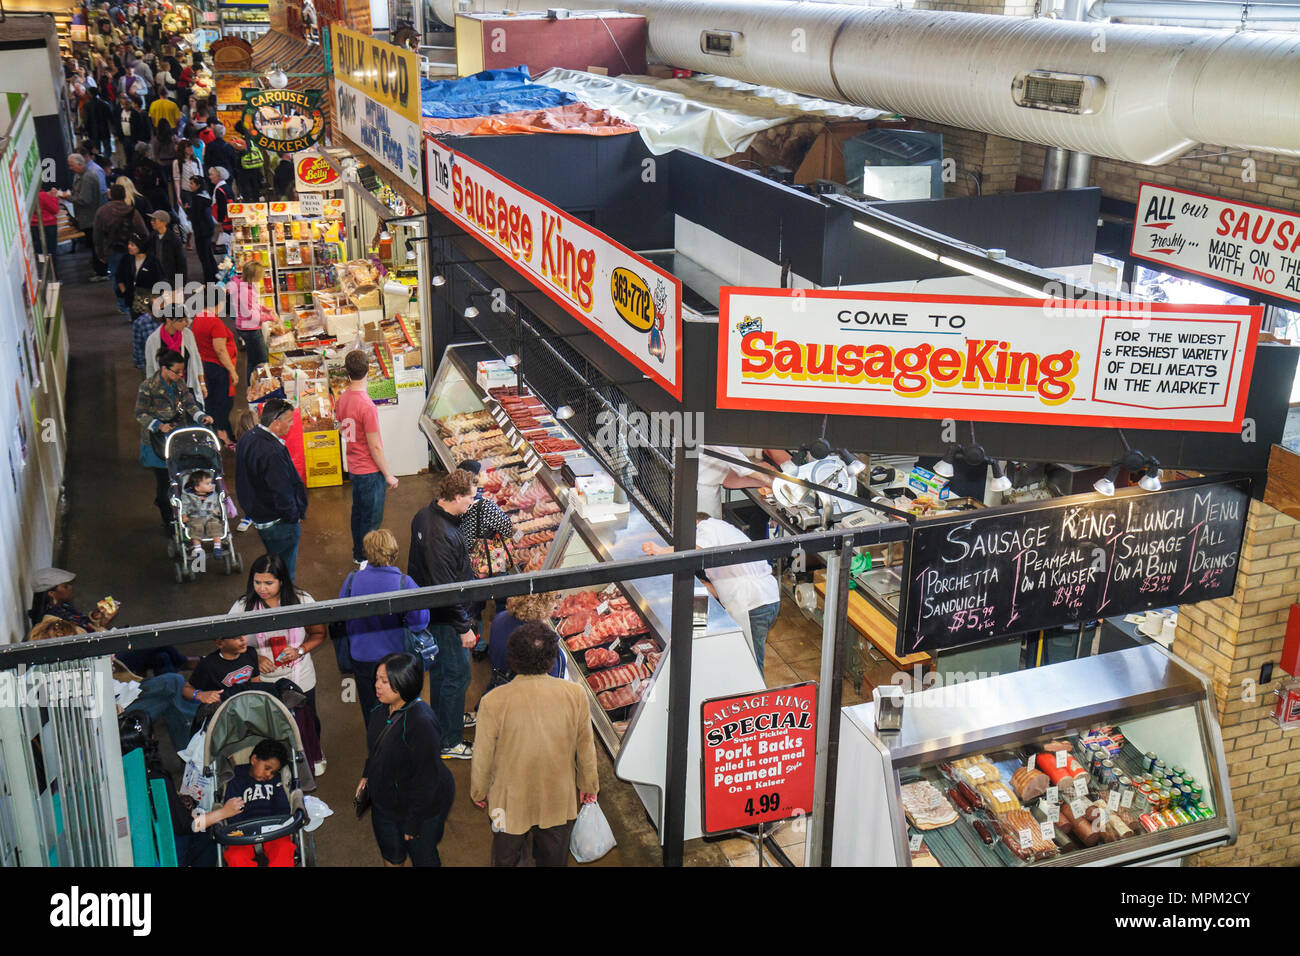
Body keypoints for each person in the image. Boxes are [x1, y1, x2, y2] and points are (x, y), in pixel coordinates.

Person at [470, 622, 599, 867]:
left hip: (508, 800)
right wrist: (588, 784)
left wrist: (479, 789)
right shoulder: (575, 694)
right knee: (554, 857)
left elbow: (483, 754)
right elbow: (585, 747)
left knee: (506, 856)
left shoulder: (493, 701)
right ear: (552, 658)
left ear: (513, 658)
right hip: (558, 795)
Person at [644, 512, 782, 671]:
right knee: (743, 660)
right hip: (766, 598)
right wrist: (700, 585)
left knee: (750, 666)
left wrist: (661, 551)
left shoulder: (707, 526)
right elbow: (720, 588)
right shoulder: (722, 533)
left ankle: (756, 696)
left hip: (752, 602)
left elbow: (696, 551)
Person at [356, 653, 455, 867]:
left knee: (423, 857)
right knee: (391, 856)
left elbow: (427, 780)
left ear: (404, 684)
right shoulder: (379, 708)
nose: (377, 686)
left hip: (418, 810)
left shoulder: (422, 723)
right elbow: (375, 749)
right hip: (384, 805)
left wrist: (413, 823)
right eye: (377, 679)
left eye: (385, 681)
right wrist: (367, 775)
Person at [230, 554, 326, 774]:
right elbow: (226, 642)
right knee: (269, 724)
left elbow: (319, 633)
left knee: (308, 717)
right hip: (262, 680)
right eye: (257, 582)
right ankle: (279, 762)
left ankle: (313, 754)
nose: (262, 588)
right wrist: (254, 657)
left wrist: (299, 650)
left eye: (268, 583)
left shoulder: (302, 600)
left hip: (300, 675)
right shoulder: (243, 606)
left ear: (282, 580)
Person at [407, 469, 479, 759]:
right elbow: (446, 589)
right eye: (471, 499)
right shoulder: (442, 535)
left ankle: (444, 718)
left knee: (440, 672)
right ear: (457, 497)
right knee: (457, 675)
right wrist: (464, 628)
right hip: (447, 618)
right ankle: (449, 741)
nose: (473, 503)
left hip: (432, 614)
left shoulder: (425, 514)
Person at [339, 529, 430, 723]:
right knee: (401, 710)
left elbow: (340, 617)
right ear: (394, 552)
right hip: (395, 662)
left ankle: (377, 747)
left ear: (367, 552)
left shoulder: (352, 580)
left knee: (371, 711)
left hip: (361, 657)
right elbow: (419, 623)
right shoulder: (404, 584)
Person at [135, 348, 213, 529]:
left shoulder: (180, 385)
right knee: (164, 482)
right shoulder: (148, 387)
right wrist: (157, 425)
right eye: (176, 371)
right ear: (164, 368)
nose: (180, 375)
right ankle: (168, 519)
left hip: (178, 439)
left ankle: (180, 510)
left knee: (179, 477)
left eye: (181, 372)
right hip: (157, 443)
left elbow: (190, 404)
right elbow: (140, 413)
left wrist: (201, 416)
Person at [337, 349, 398, 565]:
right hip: (370, 471)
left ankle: (357, 553)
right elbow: (375, 447)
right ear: (368, 370)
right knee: (372, 520)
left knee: (358, 514)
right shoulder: (367, 406)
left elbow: (341, 429)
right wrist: (388, 475)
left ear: (347, 372)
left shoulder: (342, 399)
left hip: (354, 466)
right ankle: (367, 560)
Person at [235, 399, 308, 578]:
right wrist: (293, 516)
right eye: (289, 421)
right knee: (284, 572)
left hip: (261, 517)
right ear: (276, 423)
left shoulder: (248, 437)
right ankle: (285, 603)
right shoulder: (272, 452)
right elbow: (281, 491)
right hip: (279, 523)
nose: (291, 426)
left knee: (275, 563)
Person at [200, 740, 297, 867]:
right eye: (267, 768)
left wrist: (279, 824)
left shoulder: (276, 780)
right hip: (242, 830)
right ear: (254, 759)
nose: (268, 774)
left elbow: (282, 808)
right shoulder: (236, 777)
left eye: (273, 772)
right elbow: (232, 811)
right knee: (236, 856)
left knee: (284, 849)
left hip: (272, 827)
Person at [485, 591, 565, 691]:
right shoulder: (539, 643)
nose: (558, 604)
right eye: (556, 598)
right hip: (522, 695)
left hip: (499, 684)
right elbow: (551, 685)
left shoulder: (500, 617)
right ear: (543, 603)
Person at [189, 305, 237, 446]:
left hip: (206, 367)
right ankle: (224, 438)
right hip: (219, 369)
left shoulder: (199, 317)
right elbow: (220, 350)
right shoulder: (215, 322)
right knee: (223, 404)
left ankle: (212, 435)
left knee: (210, 403)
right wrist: (232, 371)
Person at [183, 632, 261, 717]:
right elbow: (186, 689)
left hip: (248, 706)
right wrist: (199, 695)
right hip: (224, 713)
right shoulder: (208, 665)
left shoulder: (250, 652)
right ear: (220, 643)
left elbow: (255, 681)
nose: (243, 639)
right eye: (235, 637)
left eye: (243, 634)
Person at [26, 567, 119, 633]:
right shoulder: (53, 621)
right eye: (65, 586)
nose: (70, 588)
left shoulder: (62, 608)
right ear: (51, 594)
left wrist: (95, 617)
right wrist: (103, 625)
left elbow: (84, 623)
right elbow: (87, 643)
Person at [144, 305, 205, 400]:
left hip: (188, 387)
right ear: (169, 320)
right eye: (181, 320)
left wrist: (202, 383)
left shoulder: (188, 335)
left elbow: (196, 359)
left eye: (185, 320)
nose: (185, 323)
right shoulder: (153, 341)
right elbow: (150, 369)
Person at [93, 184, 146, 293]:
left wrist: (100, 254)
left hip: (112, 249)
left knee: (117, 278)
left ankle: (123, 304)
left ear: (111, 195)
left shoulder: (102, 212)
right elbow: (143, 232)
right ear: (124, 195)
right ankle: (134, 302)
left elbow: (97, 235)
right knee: (132, 276)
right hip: (131, 249)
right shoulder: (132, 212)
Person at [64, 153, 106, 277]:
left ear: (79, 164)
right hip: (88, 218)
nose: (70, 168)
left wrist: (68, 197)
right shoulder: (81, 176)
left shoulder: (87, 178)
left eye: (71, 165)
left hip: (90, 219)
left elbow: (84, 200)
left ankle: (101, 271)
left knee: (95, 246)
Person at [229, 259, 270, 382]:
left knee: (252, 359)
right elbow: (250, 314)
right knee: (262, 360)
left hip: (246, 327)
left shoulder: (242, 285)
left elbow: (250, 307)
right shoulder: (245, 291)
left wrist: (262, 308)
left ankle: (251, 385)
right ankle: (259, 387)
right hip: (250, 329)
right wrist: (269, 318)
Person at [115, 231, 162, 318]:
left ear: (141, 246)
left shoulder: (153, 261)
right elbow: (119, 276)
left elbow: (160, 280)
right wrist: (125, 292)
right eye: (129, 244)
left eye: (132, 245)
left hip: (150, 301)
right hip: (133, 302)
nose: (129, 246)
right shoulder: (126, 259)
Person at [182, 469, 226, 561]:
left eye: (211, 483)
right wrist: (183, 515)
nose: (211, 485)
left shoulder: (213, 495)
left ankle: (217, 547)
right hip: (195, 517)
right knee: (195, 528)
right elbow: (184, 506)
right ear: (197, 487)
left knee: (215, 525)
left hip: (210, 516)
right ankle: (198, 549)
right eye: (207, 484)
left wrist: (217, 510)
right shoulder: (188, 496)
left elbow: (217, 504)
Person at [185, 173, 217, 283]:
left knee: (204, 257)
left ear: (198, 185)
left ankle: (209, 280)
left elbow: (196, 216)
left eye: (192, 183)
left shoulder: (197, 199)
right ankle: (214, 276)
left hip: (201, 232)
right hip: (207, 230)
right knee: (209, 255)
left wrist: (188, 211)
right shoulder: (205, 196)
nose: (190, 185)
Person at [148, 209, 185, 288]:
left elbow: (181, 263)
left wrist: (180, 284)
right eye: (151, 219)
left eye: (154, 220)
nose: (151, 222)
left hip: (170, 279)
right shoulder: (152, 237)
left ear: (164, 222)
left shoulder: (174, 240)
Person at [32, 182, 59, 257]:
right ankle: (52, 266)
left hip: (34, 226)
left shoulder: (29, 196)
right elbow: (55, 209)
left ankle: (43, 263)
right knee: (51, 249)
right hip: (48, 225)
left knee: (40, 250)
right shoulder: (42, 195)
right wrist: (54, 197)